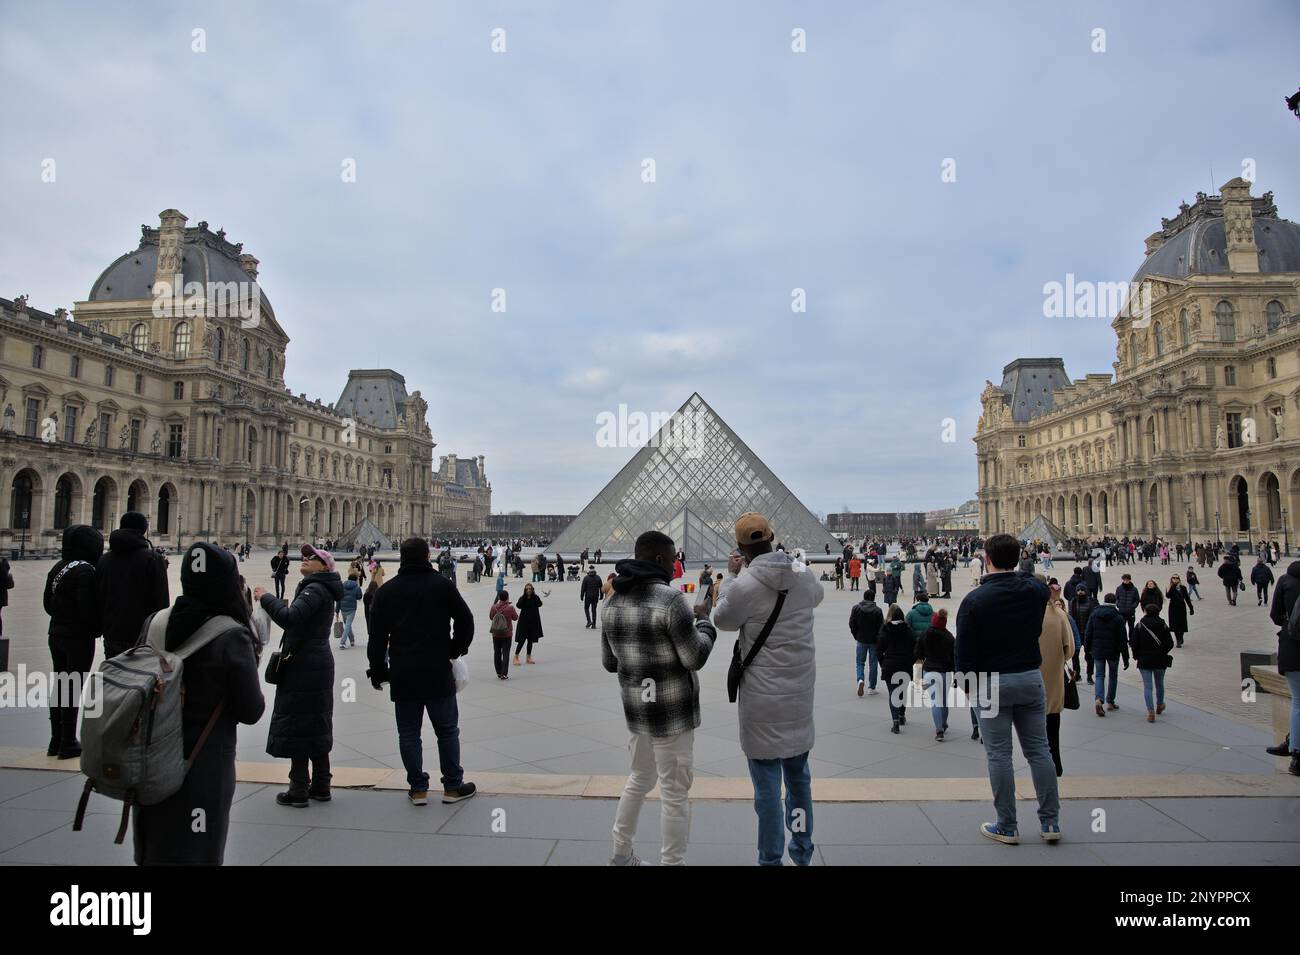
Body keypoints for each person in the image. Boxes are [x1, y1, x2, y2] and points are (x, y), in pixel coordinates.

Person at [133, 543, 266, 865]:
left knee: (155, 848)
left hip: (150, 757)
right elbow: (251, 710)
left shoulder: (156, 622)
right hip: (203, 762)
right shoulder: (231, 635)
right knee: (199, 848)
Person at [713, 512, 823, 867]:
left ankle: (771, 860)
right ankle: (802, 852)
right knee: (799, 781)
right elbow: (817, 595)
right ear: (773, 537)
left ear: (742, 548)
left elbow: (722, 619)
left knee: (767, 792)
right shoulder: (801, 574)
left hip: (762, 701)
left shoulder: (744, 583)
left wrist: (731, 577)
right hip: (799, 695)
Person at [601, 530, 717, 866]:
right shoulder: (671, 600)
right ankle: (672, 863)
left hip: (638, 713)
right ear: (657, 560)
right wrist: (706, 624)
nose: (674, 565)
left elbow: (610, 663)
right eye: (671, 559)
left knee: (638, 780)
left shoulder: (612, 602)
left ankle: (621, 854)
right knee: (674, 794)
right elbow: (694, 656)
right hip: (672, 714)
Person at [954, 533, 1060, 845]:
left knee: (999, 754)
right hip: (1029, 676)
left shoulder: (974, 600)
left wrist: (967, 687)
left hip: (990, 683)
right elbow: (1040, 584)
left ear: (986, 559)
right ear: (1018, 558)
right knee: (1040, 751)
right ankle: (1051, 823)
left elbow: (964, 653)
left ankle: (1008, 825)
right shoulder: (1033, 591)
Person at [366, 537, 477, 805]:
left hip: (403, 672)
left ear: (402, 558)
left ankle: (418, 789)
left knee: (408, 734)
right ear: (428, 556)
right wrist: (454, 650)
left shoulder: (387, 591)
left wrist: (379, 670)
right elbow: (466, 621)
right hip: (437, 669)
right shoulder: (441, 585)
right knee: (447, 731)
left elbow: (377, 637)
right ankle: (452, 787)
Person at [255, 544, 343, 807]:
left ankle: (298, 790)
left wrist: (265, 597)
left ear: (324, 566)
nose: (305, 559)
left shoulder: (315, 589)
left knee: (299, 724)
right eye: (304, 556)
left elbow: (291, 617)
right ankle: (321, 785)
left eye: (312, 557)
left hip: (304, 664)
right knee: (315, 722)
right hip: (317, 662)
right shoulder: (322, 588)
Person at [43, 525, 104, 759]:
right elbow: (87, 608)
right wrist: (96, 627)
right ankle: (69, 741)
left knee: (60, 685)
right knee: (72, 688)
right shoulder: (86, 571)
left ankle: (55, 739)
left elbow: (47, 605)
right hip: (78, 638)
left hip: (56, 634)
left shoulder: (58, 567)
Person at [95, 511, 170, 659]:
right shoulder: (153, 559)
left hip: (112, 633)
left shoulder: (104, 560)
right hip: (142, 636)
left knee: (113, 675)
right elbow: (161, 603)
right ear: (144, 530)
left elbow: (98, 597)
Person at [1266, 560, 1300, 774]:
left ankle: (1295, 751)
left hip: (1293, 648)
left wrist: (1290, 625)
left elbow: (1274, 615)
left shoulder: (1287, 580)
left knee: (1298, 702)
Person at [1040, 585, 1075, 777]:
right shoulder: (1058, 615)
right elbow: (1069, 650)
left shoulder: (1021, 612)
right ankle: (1055, 764)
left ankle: (1039, 765)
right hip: (1052, 678)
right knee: (1052, 725)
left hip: (1026, 680)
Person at [1084, 593, 1130, 716]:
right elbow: (1123, 640)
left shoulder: (1094, 614)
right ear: (1115, 602)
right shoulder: (1118, 617)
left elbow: (1088, 633)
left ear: (1104, 601)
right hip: (1113, 651)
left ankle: (1099, 699)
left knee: (1099, 675)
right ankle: (1110, 701)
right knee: (1113, 676)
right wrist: (1126, 658)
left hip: (1097, 650)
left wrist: (1087, 650)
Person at [1131, 602, 1175, 723]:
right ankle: (1160, 704)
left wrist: (1136, 656)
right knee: (1159, 684)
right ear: (1158, 612)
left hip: (1144, 660)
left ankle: (1150, 711)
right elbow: (1170, 643)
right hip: (1160, 659)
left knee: (1147, 686)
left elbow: (1134, 643)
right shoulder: (1163, 625)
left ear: (1145, 611)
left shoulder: (1140, 625)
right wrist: (1163, 651)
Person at [918, 607, 955, 741]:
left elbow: (918, 653)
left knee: (935, 701)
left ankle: (939, 730)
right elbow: (954, 657)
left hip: (929, 670)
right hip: (944, 672)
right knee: (944, 700)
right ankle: (944, 723)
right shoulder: (950, 637)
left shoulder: (925, 633)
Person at [878, 605, 913, 732]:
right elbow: (913, 649)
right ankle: (902, 715)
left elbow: (879, 650)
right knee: (902, 692)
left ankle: (895, 721)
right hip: (904, 665)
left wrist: (883, 663)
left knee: (893, 693)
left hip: (890, 665)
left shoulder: (885, 630)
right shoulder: (908, 630)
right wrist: (911, 661)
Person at [849, 590, 883, 696]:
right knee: (873, 664)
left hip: (861, 639)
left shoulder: (856, 608)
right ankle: (872, 687)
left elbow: (852, 623)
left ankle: (860, 679)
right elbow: (881, 628)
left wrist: (856, 635)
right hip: (873, 641)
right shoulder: (878, 610)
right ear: (873, 598)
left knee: (860, 662)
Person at [487, 589, 519, 679]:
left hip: (496, 633)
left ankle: (498, 671)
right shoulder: (510, 608)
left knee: (497, 653)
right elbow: (515, 618)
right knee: (506, 653)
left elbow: (490, 617)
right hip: (507, 634)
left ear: (499, 598)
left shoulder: (494, 607)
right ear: (507, 598)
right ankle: (504, 673)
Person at [515, 582, 543, 665]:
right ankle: (516, 656)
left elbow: (540, 604)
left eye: (530, 589)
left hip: (533, 622)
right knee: (522, 640)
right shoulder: (522, 598)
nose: (528, 590)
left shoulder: (535, 598)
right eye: (527, 589)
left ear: (532, 590)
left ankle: (528, 657)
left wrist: (535, 596)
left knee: (530, 640)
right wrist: (524, 598)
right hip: (524, 622)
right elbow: (518, 605)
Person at [1165, 574, 1194, 647]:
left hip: (1181, 607)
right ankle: (1178, 640)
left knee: (1182, 623)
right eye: (1173, 578)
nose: (1175, 579)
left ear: (1179, 579)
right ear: (1171, 579)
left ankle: (1181, 636)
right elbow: (1168, 596)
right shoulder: (1169, 587)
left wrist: (1191, 608)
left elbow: (1187, 598)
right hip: (1173, 608)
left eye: (1177, 578)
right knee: (1175, 625)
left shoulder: (1183, 588)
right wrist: (1172, 587)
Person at [336, 571, 362, 649]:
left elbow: (338, 599)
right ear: (355, 580)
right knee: (348, 625)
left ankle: (352, 640)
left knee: (347, 625)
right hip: (352, 608)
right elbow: (359, 597)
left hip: (343, 608)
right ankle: (342, 642)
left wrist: (337, 610)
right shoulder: (357, 587)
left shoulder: (342, 586)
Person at [1114, 573, 1140, 639]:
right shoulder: (1119, 588)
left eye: (1127, 580)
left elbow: (1137, 599)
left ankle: (1131, 640)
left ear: (1130, 580)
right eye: (1124, 580)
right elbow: (1116, 598)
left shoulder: (1134, 589)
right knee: (1122, 627)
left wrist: (1133, 606)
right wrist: (1118, 604)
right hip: (1122, 612)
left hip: (1131, 612)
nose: (1126, 581)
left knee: (1131, 627)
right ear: (1122, 580)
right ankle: (1123, 639)